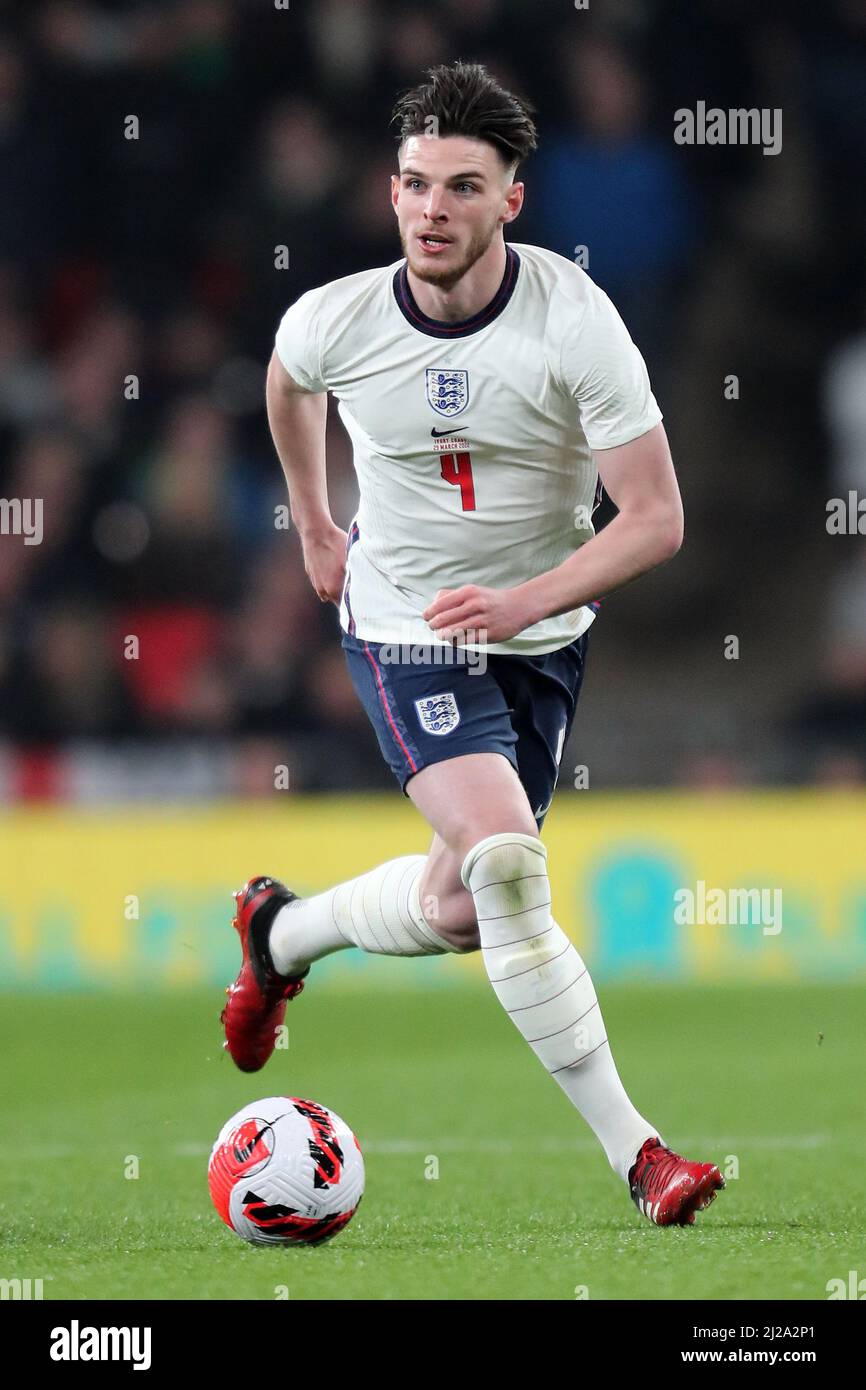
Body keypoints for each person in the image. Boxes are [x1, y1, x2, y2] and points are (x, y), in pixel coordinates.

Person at [221, 61, 723, 1228]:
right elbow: (287, 383)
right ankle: (641, 1156)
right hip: (404, 627)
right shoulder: (338, 318)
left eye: (460, 186)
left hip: (536, 636)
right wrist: (313, 522)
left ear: (512, 202)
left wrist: (526, 597)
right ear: (389, 194)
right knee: (503, 862)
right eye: (411, 185)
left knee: (459, 911)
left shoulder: (573, 321)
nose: (430, 209)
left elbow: (656, 518)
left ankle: (279, 930)